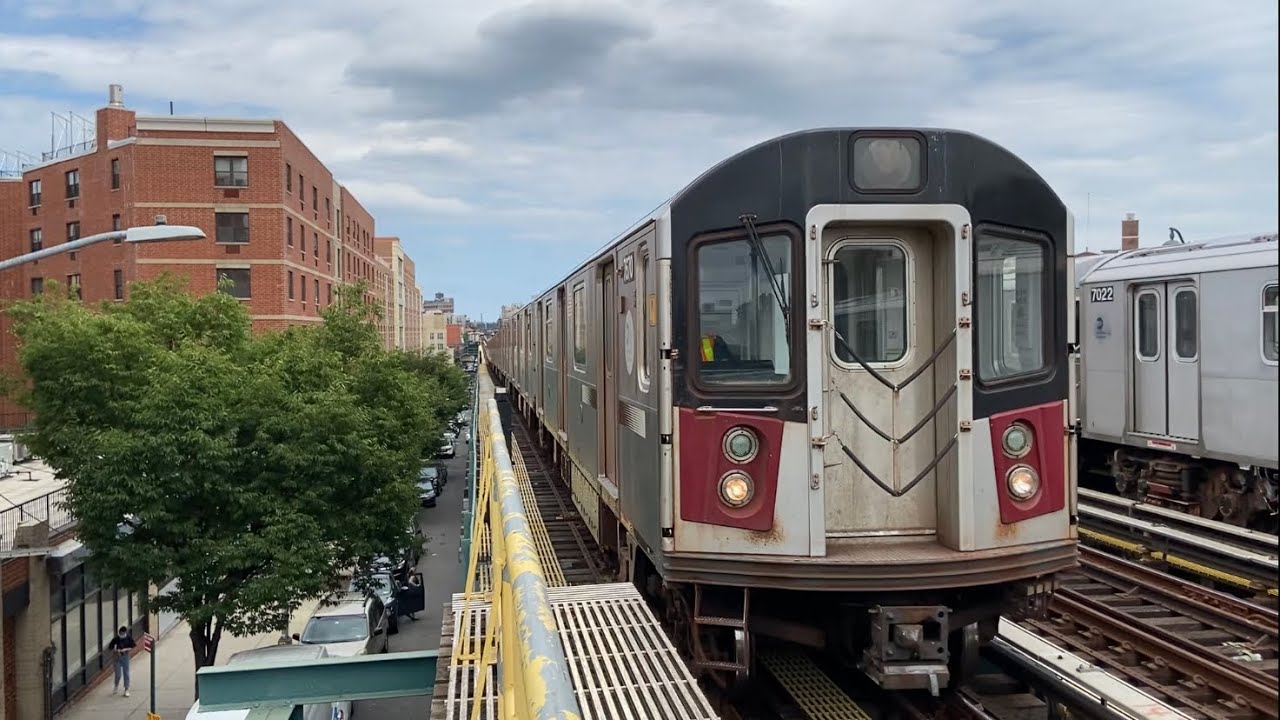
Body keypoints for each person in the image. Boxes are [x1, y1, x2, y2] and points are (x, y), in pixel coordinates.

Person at [107, 626, 136, 697]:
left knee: (126, 673)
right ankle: (116, 686)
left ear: (125, 632)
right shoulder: (116, 639)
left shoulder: (128, 638)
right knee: (118, 674)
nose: (122, 634)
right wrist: (115, 650)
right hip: (117, 657)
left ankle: (126, 689)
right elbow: (110, 647)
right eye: (121, 633)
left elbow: (133, 646)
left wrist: (125, 649)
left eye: (123, 633)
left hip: (125, 656)